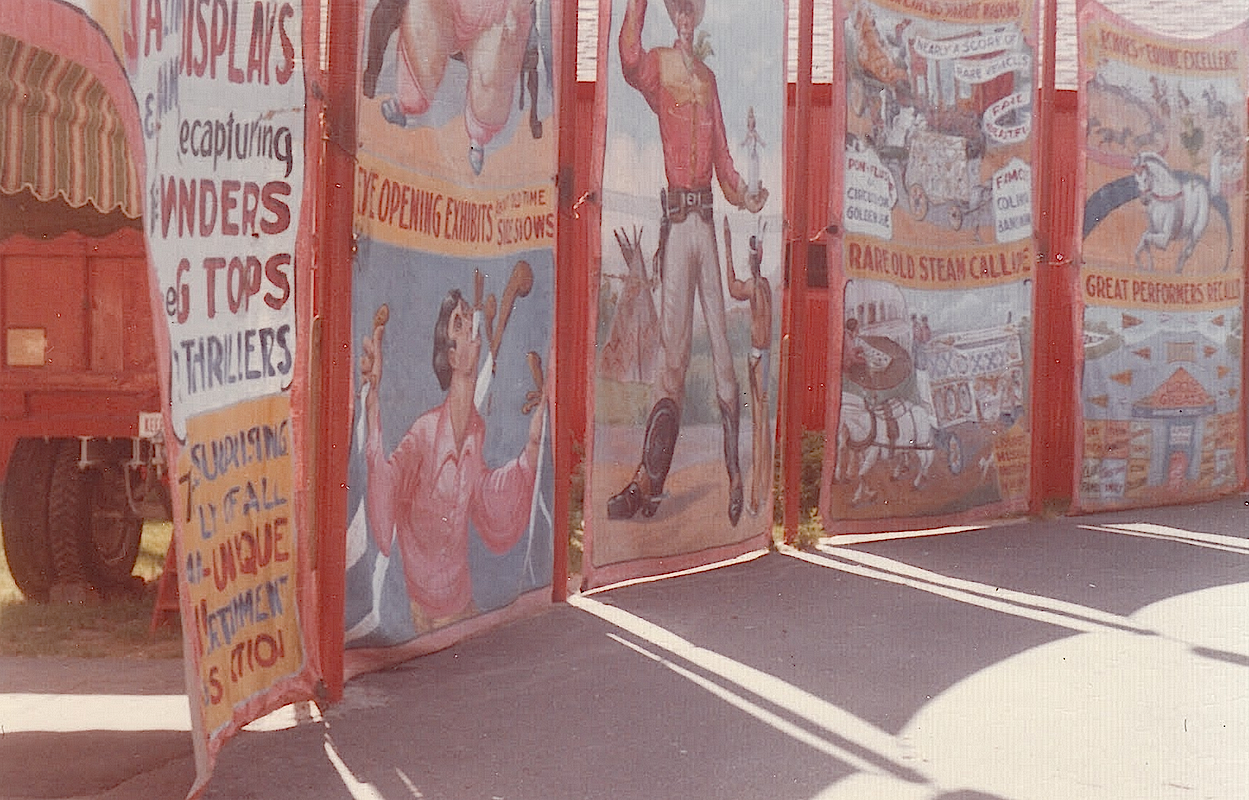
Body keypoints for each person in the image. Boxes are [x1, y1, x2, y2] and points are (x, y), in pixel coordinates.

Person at [606, 0, 768, 526]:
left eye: (688, 12)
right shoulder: (660, 67)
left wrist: (746, 195)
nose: (682, 20)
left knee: (722, 349)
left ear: (696, 19)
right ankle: (649, 481)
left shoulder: (709, 80)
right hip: (677, 226)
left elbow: (722, 158)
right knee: (673, 352)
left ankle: (733, 473)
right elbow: (628, 62)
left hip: (704, 220)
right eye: (675, 11)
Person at [360, 291, 545, 632]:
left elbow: (487, 496)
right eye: (458, 324)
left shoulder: (476, 431)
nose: (470, 327)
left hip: (461, 603)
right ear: (452, 355)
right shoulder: (424, 433)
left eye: (468, 317)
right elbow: (385, 490)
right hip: (425, 617)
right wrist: (373, 402)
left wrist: (532, 449)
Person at [370, 0, 535, 175]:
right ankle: (407, 101)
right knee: (423, 21)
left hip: (498, 15)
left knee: (495, 69)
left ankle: (479, 138)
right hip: (447, 6)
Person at [724, 218, 773, 517]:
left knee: (759, 428)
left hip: (758, 358)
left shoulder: (757, 286)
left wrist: (727, 246)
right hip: (761, 357)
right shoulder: (764, 285)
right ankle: (759, 494)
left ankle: (756, 498)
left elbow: (732, 288)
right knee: (761, 427)